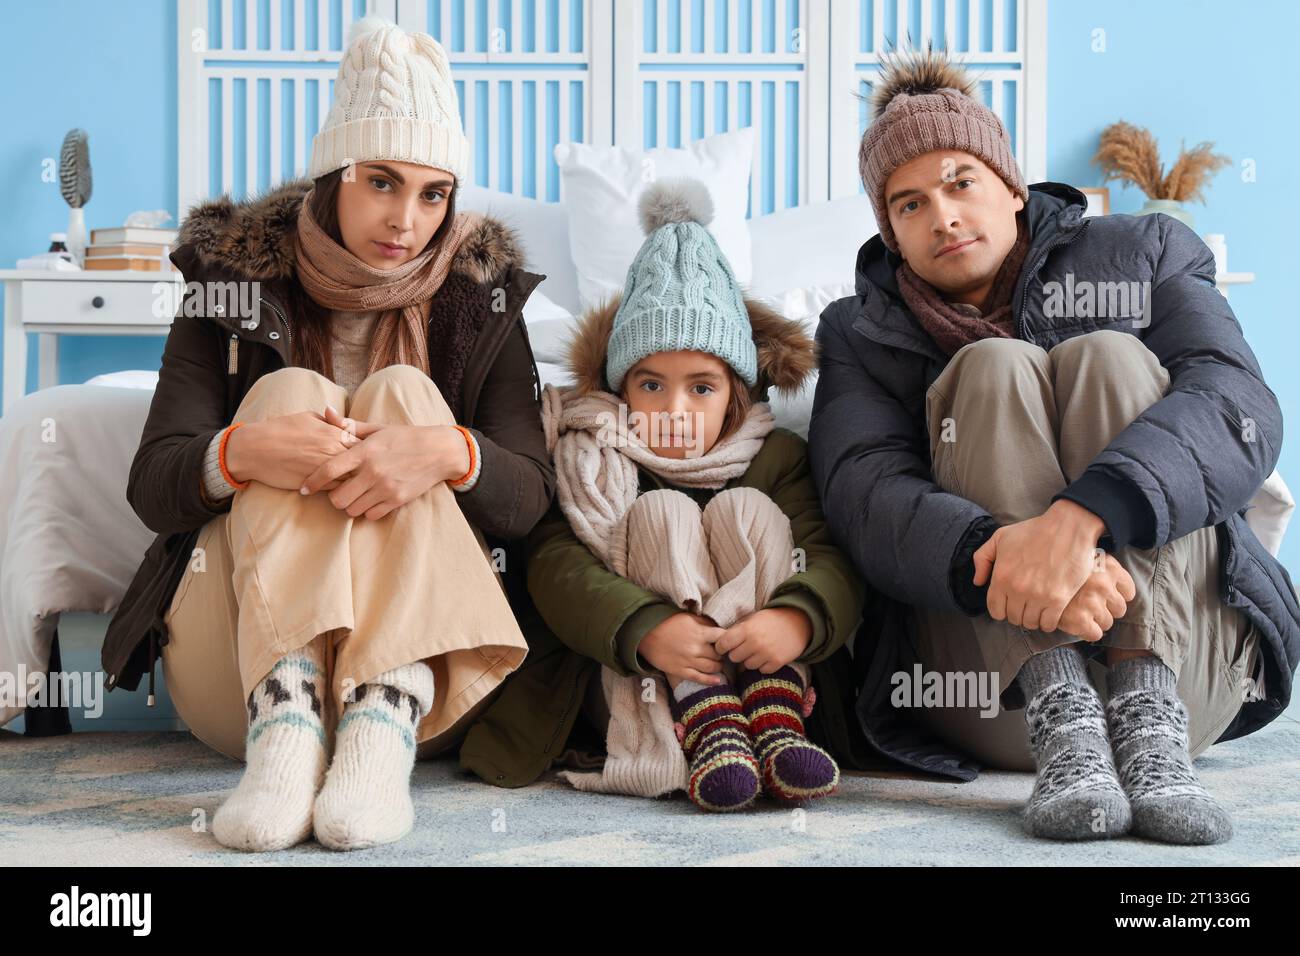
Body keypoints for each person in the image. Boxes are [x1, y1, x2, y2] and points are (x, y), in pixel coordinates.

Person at [809, 47, 1298, 844]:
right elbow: (863, 493)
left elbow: (1237, 404)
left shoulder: (1145, 251)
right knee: (993, 367)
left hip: (1189, 676)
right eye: (909, 204)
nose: (943, 217)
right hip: (993, 694)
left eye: (961, 182)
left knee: (1105, 355)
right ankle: (1066, 711)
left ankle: (1143, 710)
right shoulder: (860, 332)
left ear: (1010, 184)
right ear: (891, 234)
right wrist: (1006, 556)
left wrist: (1079, 521)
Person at [102, 17, 557, 852]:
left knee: (406, 398)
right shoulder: (231, 287)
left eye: (432, 193)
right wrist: (237, 454)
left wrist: (451, 453)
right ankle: (288, 732)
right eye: (380, 182)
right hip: (233, 675)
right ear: (333, 175)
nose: (407, 220)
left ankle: (378, 731)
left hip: (430, 682)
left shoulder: (481, 300)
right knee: (288, 391)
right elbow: (153, 481)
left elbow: (529, 495)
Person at [528, 178, 866, 811]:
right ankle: (704, 715)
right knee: (661, 511)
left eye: (701, 387)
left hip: (773, 673)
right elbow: (555, 566)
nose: (674, 409)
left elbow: (831, 555)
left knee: (746, 510)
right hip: (637, 678)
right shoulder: (590, 457)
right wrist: (647, 627)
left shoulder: (778, 456)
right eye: (650, 384)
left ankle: (771, 713)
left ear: (736, 391)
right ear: (619, 387)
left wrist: (796, 619)